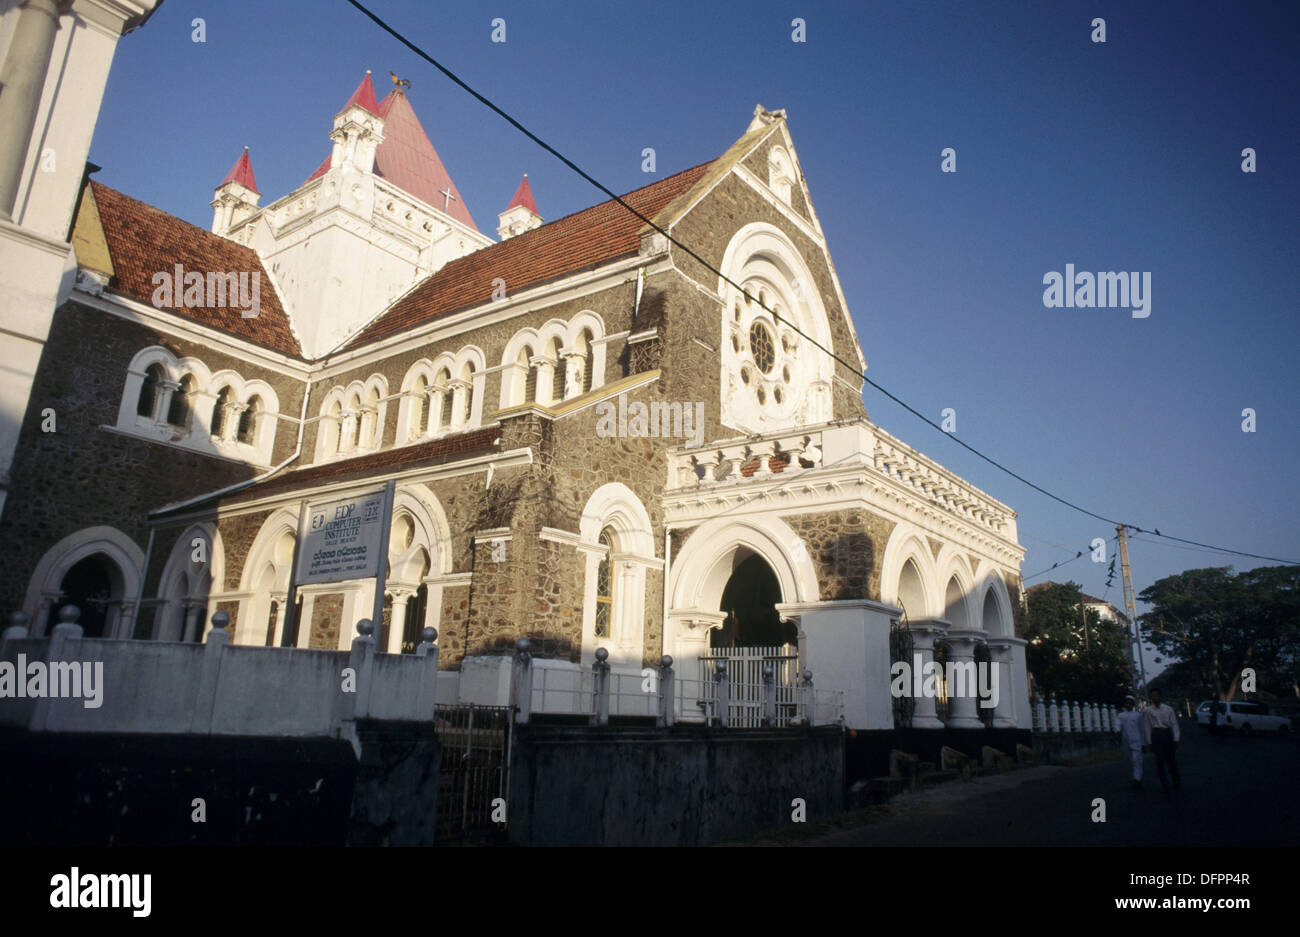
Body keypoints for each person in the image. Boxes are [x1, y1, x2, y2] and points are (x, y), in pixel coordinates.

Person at [1143, 689, 1181, 793]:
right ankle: (1165, 784)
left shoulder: (1168, 709)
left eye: (1156, 696)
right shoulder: (1148, 710)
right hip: (1156, 735)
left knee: (1171, 760)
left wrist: (1176, 738)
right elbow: (1147, 726)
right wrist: (1149, 742)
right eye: (1152, 696)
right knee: (1159, 761)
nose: (1155, 698)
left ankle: (1176, 782)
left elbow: (1174, 724)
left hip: (1167, 734)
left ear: (1160, 697)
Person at [1115, 697, 1147, 791]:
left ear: (1133, 705)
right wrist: (1118, 730)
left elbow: (1142, 730)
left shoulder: (1137, 716)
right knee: (1131, 760)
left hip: (1137, 740)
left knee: (1137, 760)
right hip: (1126, 740)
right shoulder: (1121, 715)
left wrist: (1143, 743)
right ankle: (1136, 777)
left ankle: (1137, 779)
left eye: (1130, 703)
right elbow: (1117, 724)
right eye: (1127, 703)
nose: (1128, 705)